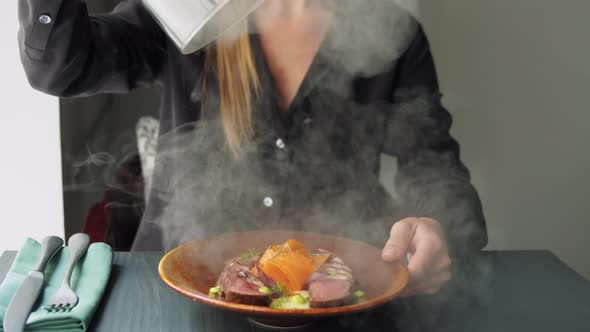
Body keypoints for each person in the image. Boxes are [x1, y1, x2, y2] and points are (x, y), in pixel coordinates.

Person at [18, 0, 487, 295]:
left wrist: (437, 225)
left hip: (336, 294)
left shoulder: (391, 35)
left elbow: (433, 164)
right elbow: (60, 69)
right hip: (178, 286)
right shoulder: (184, 15)